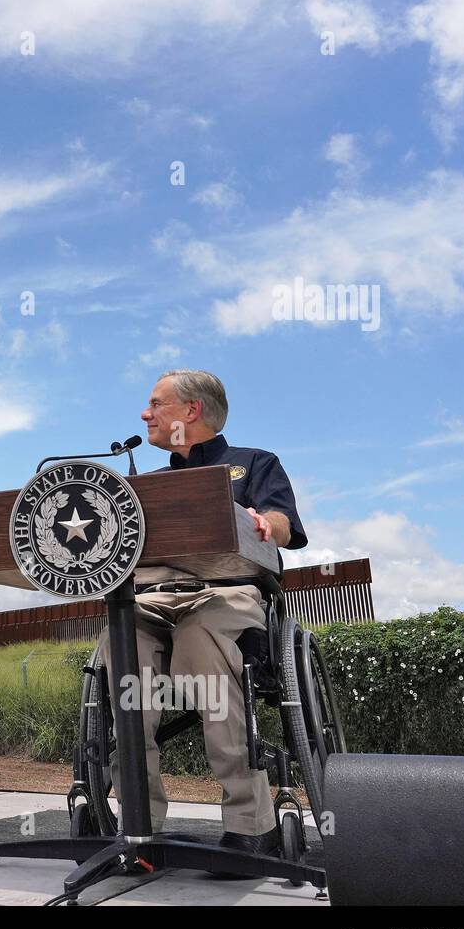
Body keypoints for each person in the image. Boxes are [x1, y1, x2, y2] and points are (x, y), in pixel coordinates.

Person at [99, 369, 307, 861]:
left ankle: (250, 822)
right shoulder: (144, 485)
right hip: (151, 598)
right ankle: (138, 823)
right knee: (121, 640)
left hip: (226, 592)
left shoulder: (253, 463)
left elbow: (283, 523)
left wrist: (263, 523)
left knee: (199, 639)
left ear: (191, 411)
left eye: (155, 403)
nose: (145, 414)